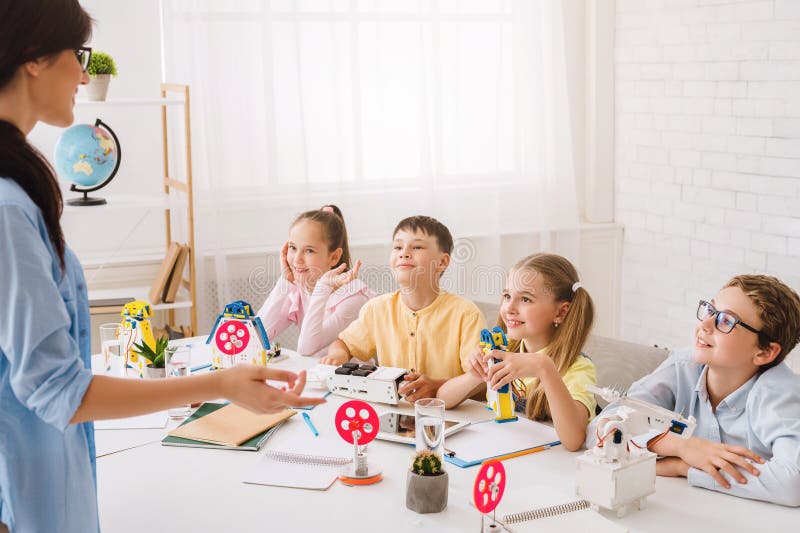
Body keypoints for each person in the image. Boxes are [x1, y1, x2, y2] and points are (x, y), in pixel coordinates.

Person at [0, 2, 324, 531]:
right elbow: (58, 389)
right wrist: (220, 384)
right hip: (24, 495)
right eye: (77, 56)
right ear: (34, 58)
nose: (84, 74)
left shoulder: (19, 189)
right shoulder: (9, 210)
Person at [586, 275, 800, 507]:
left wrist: (685, 468)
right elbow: (600, 429)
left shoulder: (779, 393)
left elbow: (792, 484)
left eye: (727, 321)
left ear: (764, 353)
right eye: (710, 310)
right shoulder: (684, 366)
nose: (705, 325)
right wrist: (681, 446)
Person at [437, 253, 596, 451]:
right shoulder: (505, 351)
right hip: (502, 451)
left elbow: (573, 441)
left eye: (525, 299)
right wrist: (476, 373)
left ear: (561, 312)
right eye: (507, 296)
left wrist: (544, 367)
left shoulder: (578, 368)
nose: (509, 308)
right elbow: (442, 400)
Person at [321, 215, 486, 403]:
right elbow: (343, 343)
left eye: (417, 247)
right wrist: (338, 354)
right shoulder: (377, 308)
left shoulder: (466, 314)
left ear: (442, 262)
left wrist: (438, 386)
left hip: (452, 416)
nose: (404, 253)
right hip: (396, 414)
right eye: (398, 247)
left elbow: (479, 383)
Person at [256, 205, 371, 357]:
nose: (297, 259)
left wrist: (323, 288)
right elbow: (257, 337)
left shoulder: (354, 299)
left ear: (334, 257)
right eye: (293, 247)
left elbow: (307, 349)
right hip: (314, 376)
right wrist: (285, 281)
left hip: (349, 379)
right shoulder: (298, 290)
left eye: (309, 250)